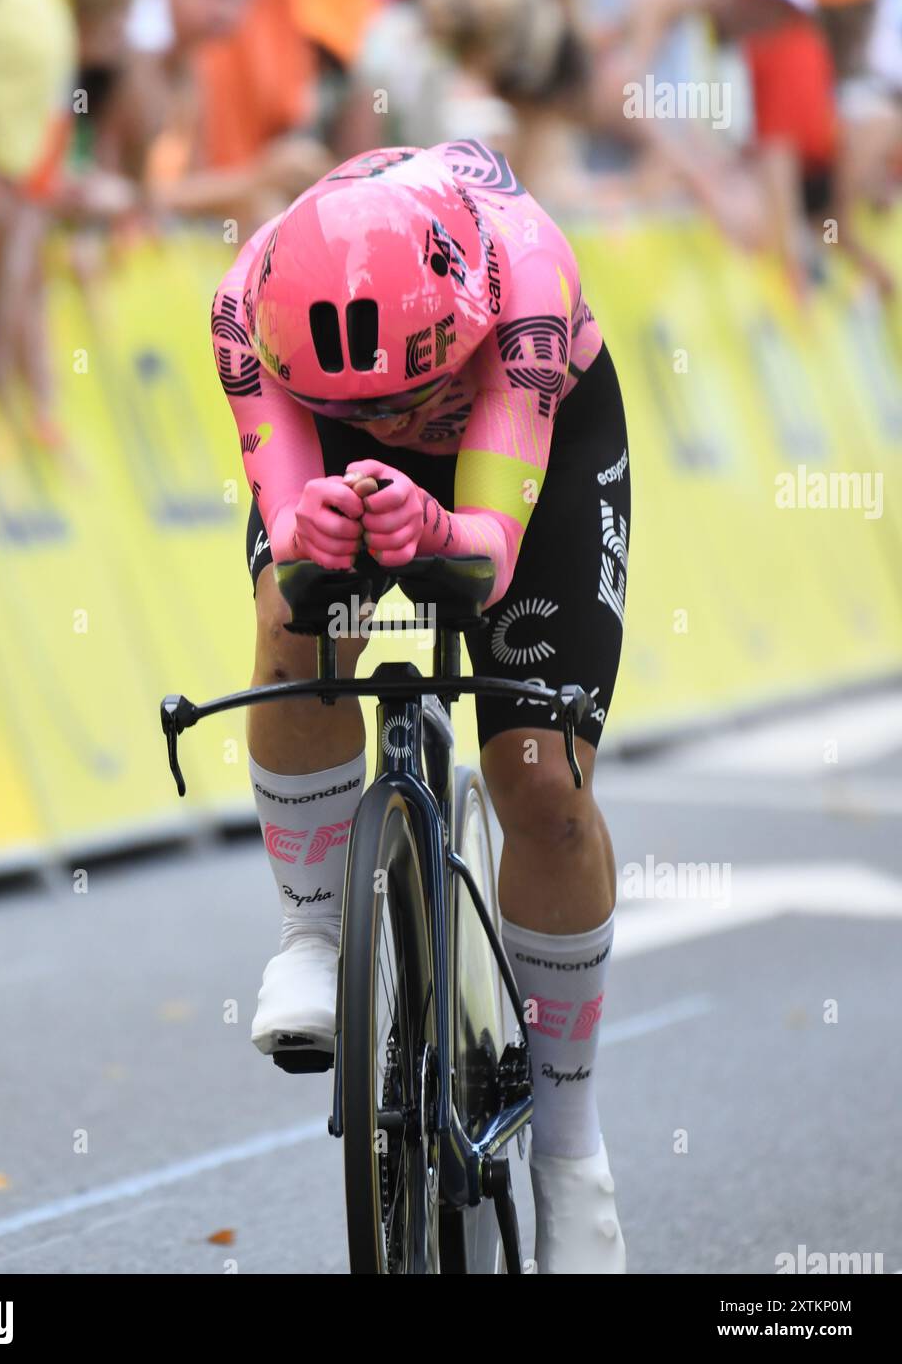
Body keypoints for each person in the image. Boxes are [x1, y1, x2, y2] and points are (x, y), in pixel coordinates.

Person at [212, 142, 631, 1274]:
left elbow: (488, 556)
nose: (397, 425)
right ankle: (310, 931)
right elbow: (288, 512)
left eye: (409, 401)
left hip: (523, 433)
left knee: (540, 780)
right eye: (374, 412)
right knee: (289, 623)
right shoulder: (245, 304)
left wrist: (441, 532)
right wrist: (305, 536)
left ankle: (569, 1155)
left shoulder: (527, 277)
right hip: (323, 430)